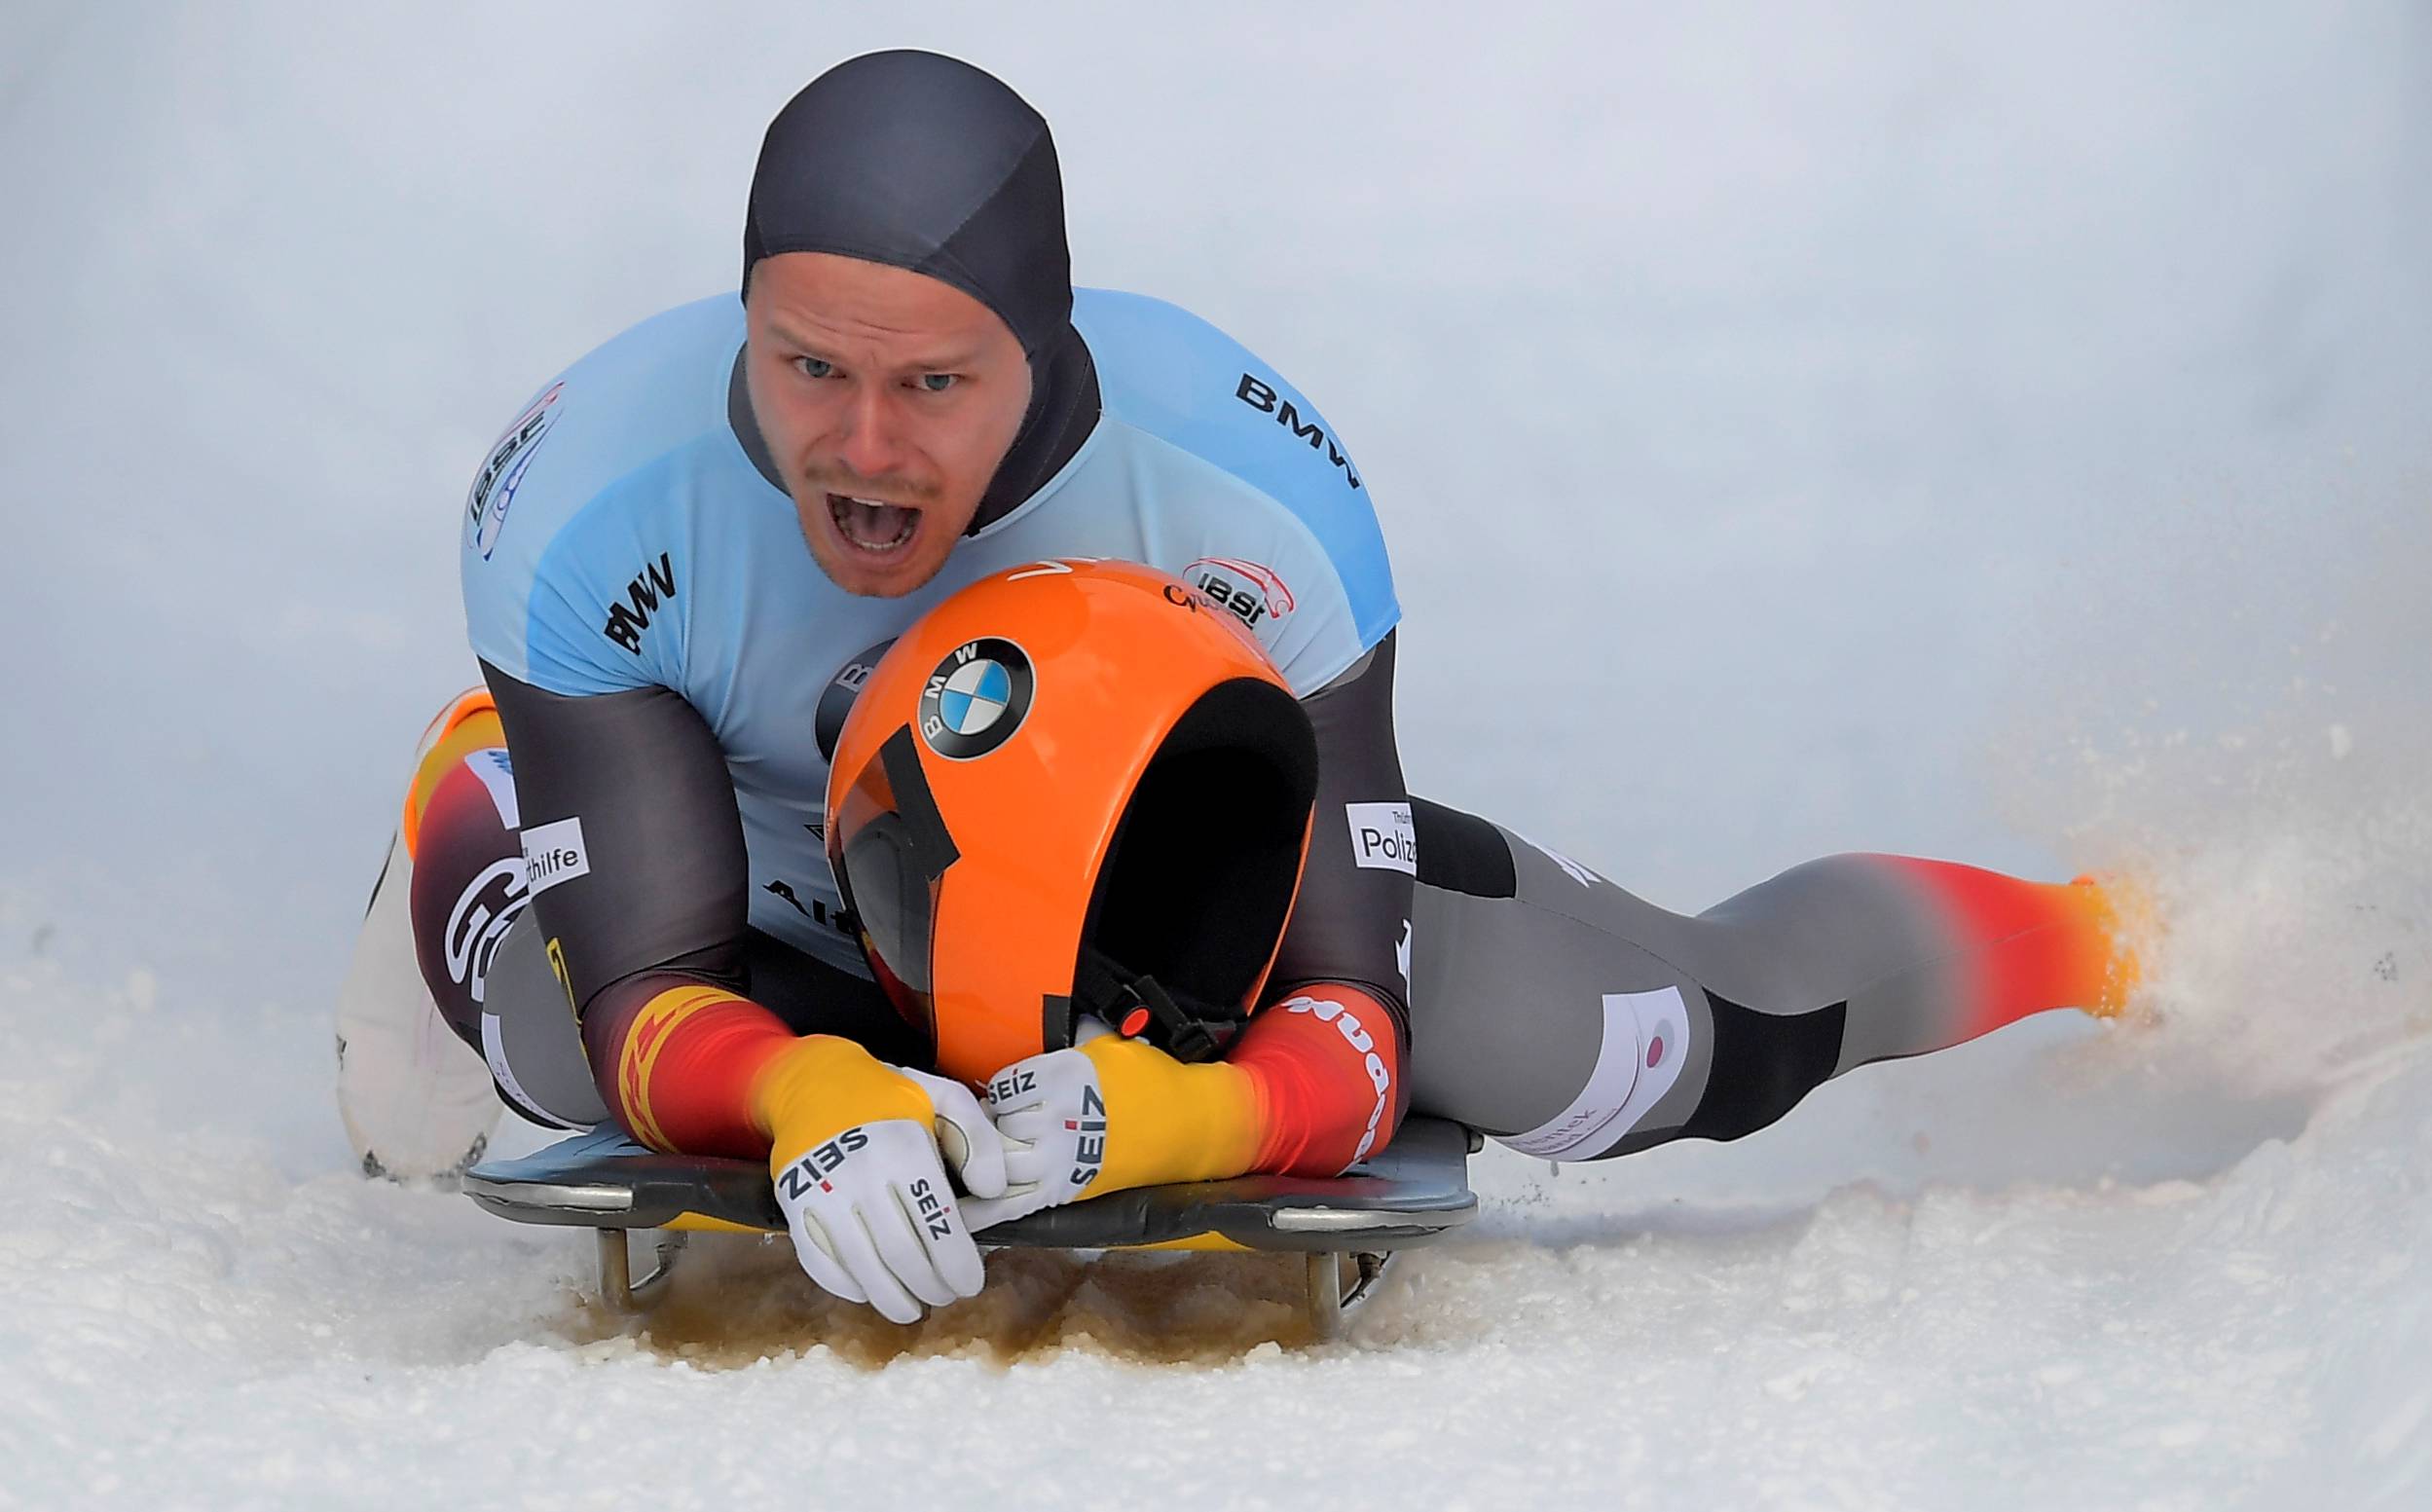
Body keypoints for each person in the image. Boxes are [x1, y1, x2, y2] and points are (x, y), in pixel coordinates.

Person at [337, 51, 2136, 1324]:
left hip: (1173, 898)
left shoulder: (1254, 501)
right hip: (773, 889)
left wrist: (1203, 1112)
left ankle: (2122, 934)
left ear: (1044, 350)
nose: (862, 448)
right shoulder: (585, 493)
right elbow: (654, 983)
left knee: (1688, 1044)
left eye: (935, 388)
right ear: (741, 319)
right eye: (806, 367)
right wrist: (803, 1090)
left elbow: (1349, 998)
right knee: (561, 1024)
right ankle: (478, 792)